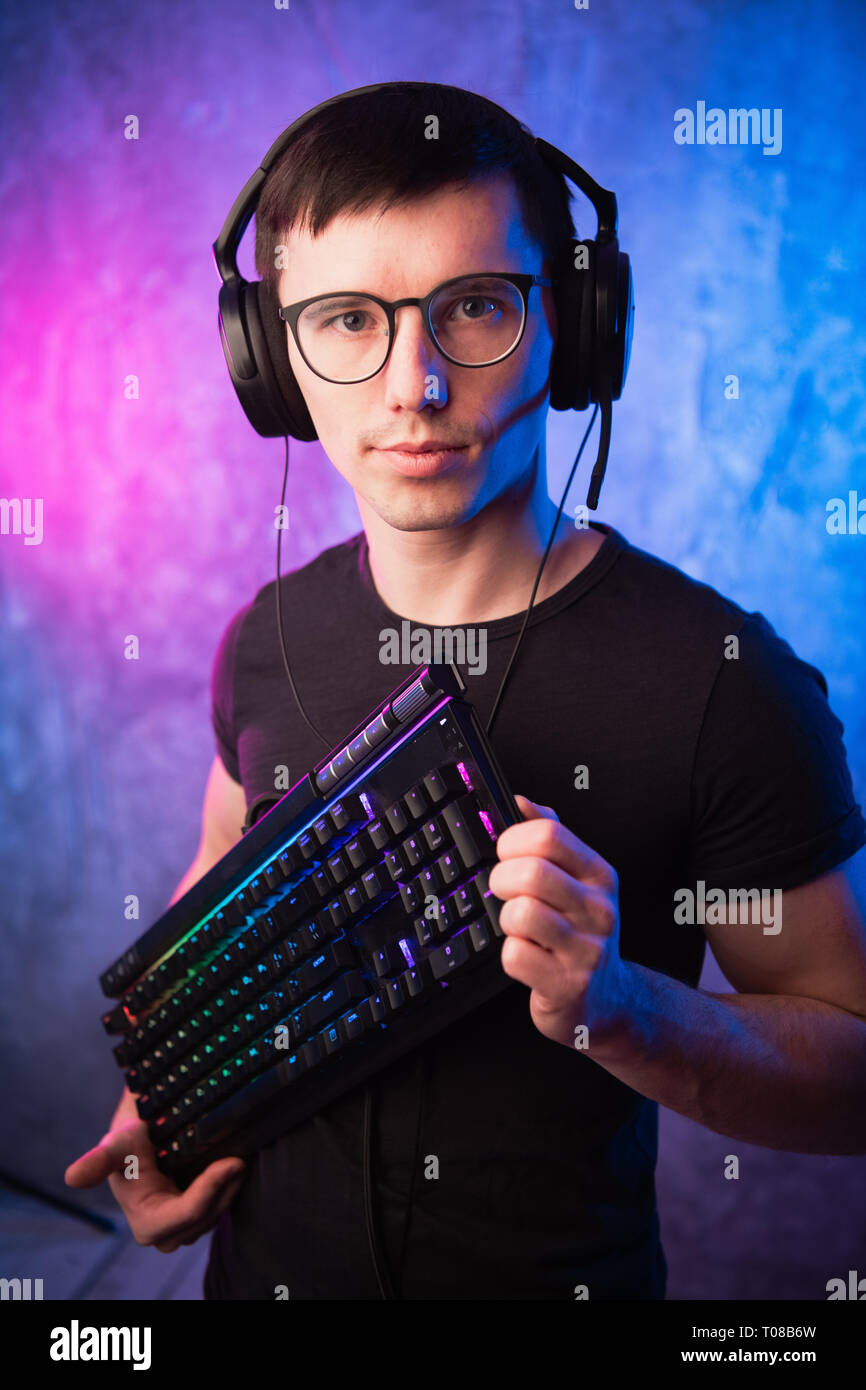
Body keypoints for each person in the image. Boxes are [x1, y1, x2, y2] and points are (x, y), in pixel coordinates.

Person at [65, 84, 866, 1300]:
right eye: (344, 321)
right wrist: (165, 1097)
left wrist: (626, 1007)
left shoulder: (723, 682)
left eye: (476, 307)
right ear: (272, 357)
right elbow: (217, 883)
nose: (413, 388)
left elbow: (851, 1072)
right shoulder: (264, 637)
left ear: (576, 328)